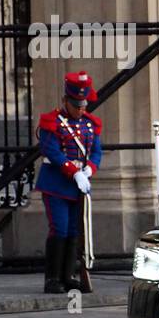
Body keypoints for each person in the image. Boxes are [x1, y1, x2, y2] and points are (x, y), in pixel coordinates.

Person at [36, 71, 102, 294]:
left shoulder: (90, 124)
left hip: (77, 186)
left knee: (74, 230)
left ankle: (68, 275)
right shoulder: (52, 121)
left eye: (83, 104)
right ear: (66, 101)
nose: (81, 109)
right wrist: (74, 172)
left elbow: (96, 152)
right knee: (60, 228)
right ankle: (52, 278)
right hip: (56, 184)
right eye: (76, 105)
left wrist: (89, 170)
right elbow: (51, 151)